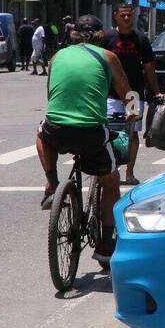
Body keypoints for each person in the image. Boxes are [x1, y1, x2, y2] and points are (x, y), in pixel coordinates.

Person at [35, 15, 137, 263]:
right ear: (101, 35)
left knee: (41, 133)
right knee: (111, 183)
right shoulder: (108, 57)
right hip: (92, 131)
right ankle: (105, 246)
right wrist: (133, 115)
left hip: (57, 128)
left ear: (72, 34)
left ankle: (51, 184)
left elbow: (51, 95)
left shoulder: (56, 57)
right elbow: (127, 93)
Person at [102, 3, 160, 186]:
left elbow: (149, 67)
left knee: (132, 133)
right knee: (112, 133)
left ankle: (129, 172)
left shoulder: (141, 39)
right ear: (116, 17)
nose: (126, 18)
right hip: (111, 95)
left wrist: (156, 92)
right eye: (123, 15)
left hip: (134, 95)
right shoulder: (107, 38)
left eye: (129, 15)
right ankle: (114, 171)